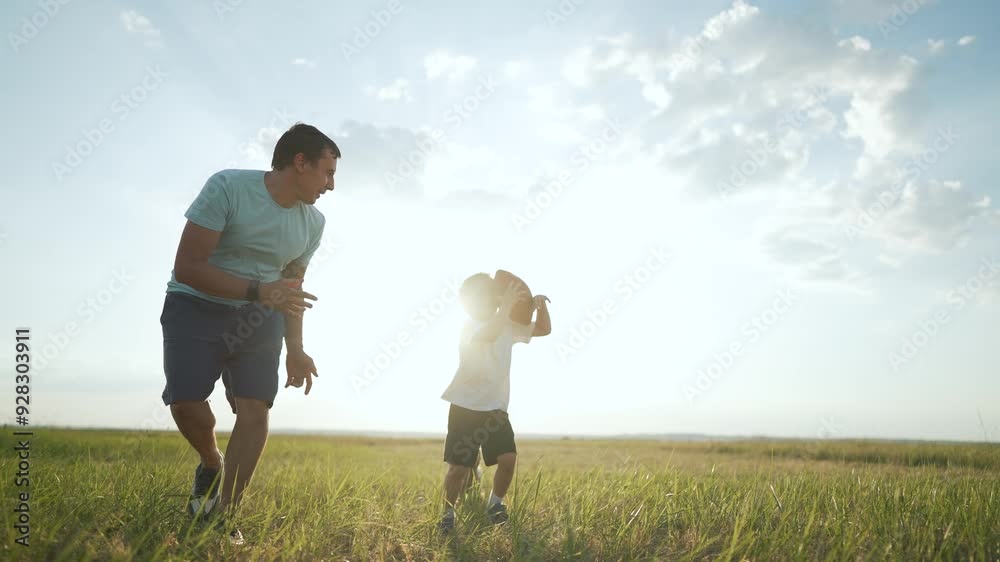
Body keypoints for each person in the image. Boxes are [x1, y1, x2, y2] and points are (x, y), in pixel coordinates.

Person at [159, 123, 339, 544]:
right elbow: (188, 266)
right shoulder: (227, 187)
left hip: (260, 319)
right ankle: (210, 461)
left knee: (255, 410)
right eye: (327, 173)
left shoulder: (313, 223)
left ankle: (225, 517)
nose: (330, 186)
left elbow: (291, 290)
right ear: (300, 163)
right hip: (195, 305)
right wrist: (260, 289)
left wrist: (296, 348)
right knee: (187, 406)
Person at [437, 271, 551, 534]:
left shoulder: (506, 325)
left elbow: (543, 329)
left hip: (495, 408)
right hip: (465, 406)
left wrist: (538, 306)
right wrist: (509, 306)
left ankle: (495, 506)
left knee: (508, 459)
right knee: (458, 470)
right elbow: (489, 334)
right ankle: (447, 515)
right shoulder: (469, 326)